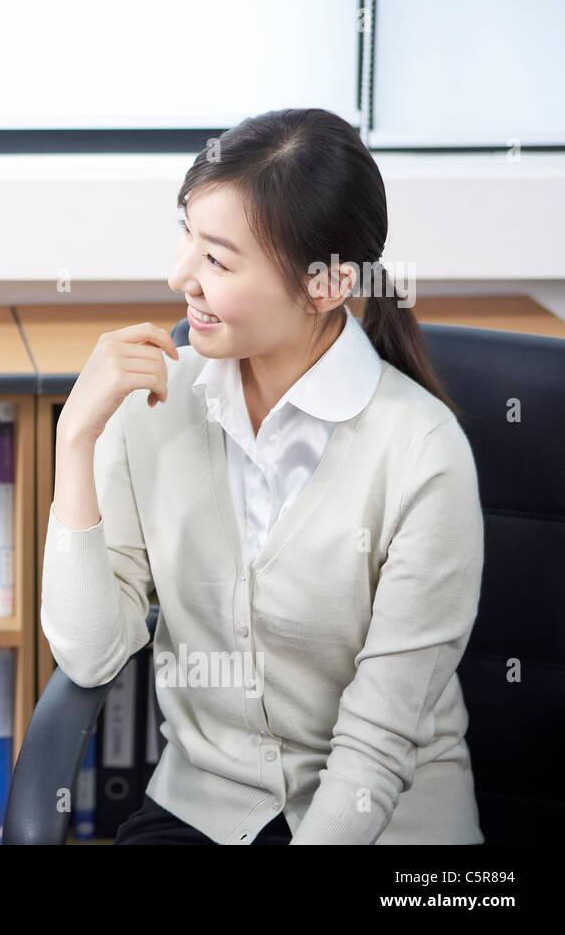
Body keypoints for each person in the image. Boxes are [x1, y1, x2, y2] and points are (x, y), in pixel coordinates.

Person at [41, 108, 484, 845]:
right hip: (201, 813)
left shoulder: (422, 453)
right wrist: (74, 438)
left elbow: (373, 757)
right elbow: (90, 652)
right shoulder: (154, 403)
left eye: (217, 259)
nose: (180, 275)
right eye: (186, 234)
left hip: (389, 826)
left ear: (327, 284)